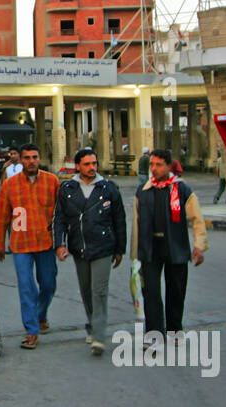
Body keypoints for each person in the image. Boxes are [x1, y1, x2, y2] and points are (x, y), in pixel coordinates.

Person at [54, 148, 126, 356]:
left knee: (99, 291)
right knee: (86, 290)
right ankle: (92, 324)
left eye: (94, 163)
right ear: (77, 166)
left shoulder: (108, 188)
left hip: (103, 247)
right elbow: (60, 219)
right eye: (87, 164)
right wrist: (60, 244)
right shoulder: (68, 189)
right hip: (79, 247)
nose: (92, 167)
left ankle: (99, 336)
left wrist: (120, 249)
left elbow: (119, 220)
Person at [131, 148, 207, 342]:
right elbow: (136, 224)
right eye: (152, 165)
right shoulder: (144, 190)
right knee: (151, 293)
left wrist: (199, 245)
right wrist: (135, 254)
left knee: (176, 291)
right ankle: (154, 333)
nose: (154, 169)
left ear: (168, 166)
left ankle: (174, 330)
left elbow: (196, 219)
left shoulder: (181, 190)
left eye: (158, 165)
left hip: (175, 247)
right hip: (150, 249)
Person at [0, 143, 61, 349]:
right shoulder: (10, 185)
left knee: (48, 284)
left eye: (34, 157)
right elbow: (3, 215)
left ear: (39, 158)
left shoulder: (52, 182)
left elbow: (62, 215)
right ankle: (31, 330)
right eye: (27, 158)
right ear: (20, 160)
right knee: (26, 287)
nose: (31, 161)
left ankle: (41, 314)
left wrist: (62, 243)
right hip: (20, 244)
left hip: (46, 242)